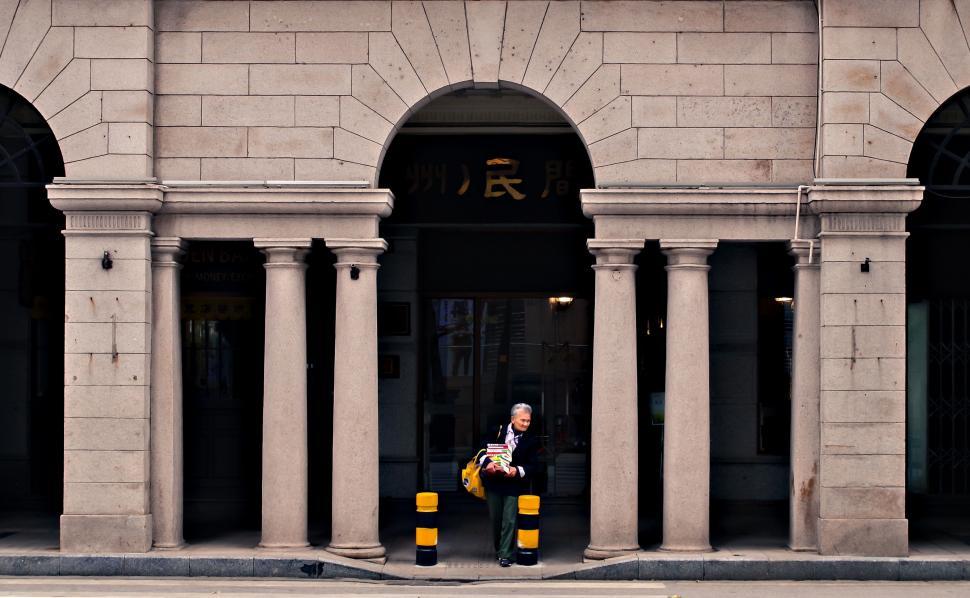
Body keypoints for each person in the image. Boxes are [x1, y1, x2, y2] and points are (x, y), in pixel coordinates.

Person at [479, 403, 538, 567]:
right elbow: (481, 451)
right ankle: (500, 550)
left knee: (509, 520)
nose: (526, 424)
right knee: (496, 519)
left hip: (513, 484)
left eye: (528, 421)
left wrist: (517, 470)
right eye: (523, 420)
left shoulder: (531, 440)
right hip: (494, 483)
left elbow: (534, 466)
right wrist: (488, 464)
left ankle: (505, 554)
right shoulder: (496, 431)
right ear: (513, 419)